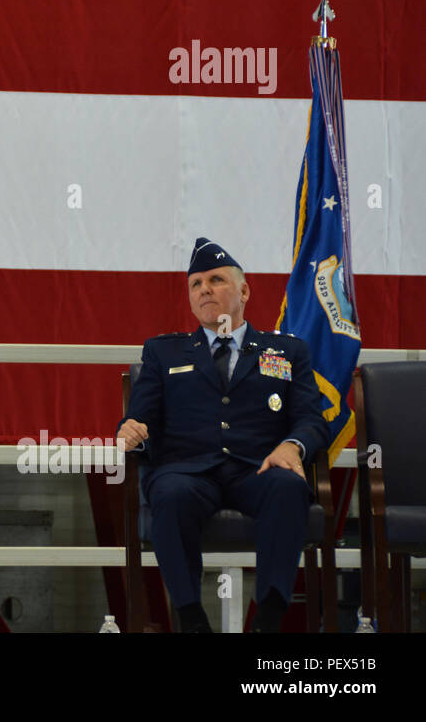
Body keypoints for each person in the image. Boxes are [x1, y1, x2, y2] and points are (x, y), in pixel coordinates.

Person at [117, 237, 327, 633]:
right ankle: (192, 619)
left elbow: (312, 420)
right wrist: (130, 431)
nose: (204, 290)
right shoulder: (165, 353)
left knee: (288, 487)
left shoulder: (285, 352)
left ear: (244, 291)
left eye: (215, 280)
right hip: (188, 472)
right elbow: (139, 418)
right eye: (196, 284)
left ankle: (267, 617)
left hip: (258, 468)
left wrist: (293, 445)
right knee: (170, 494)